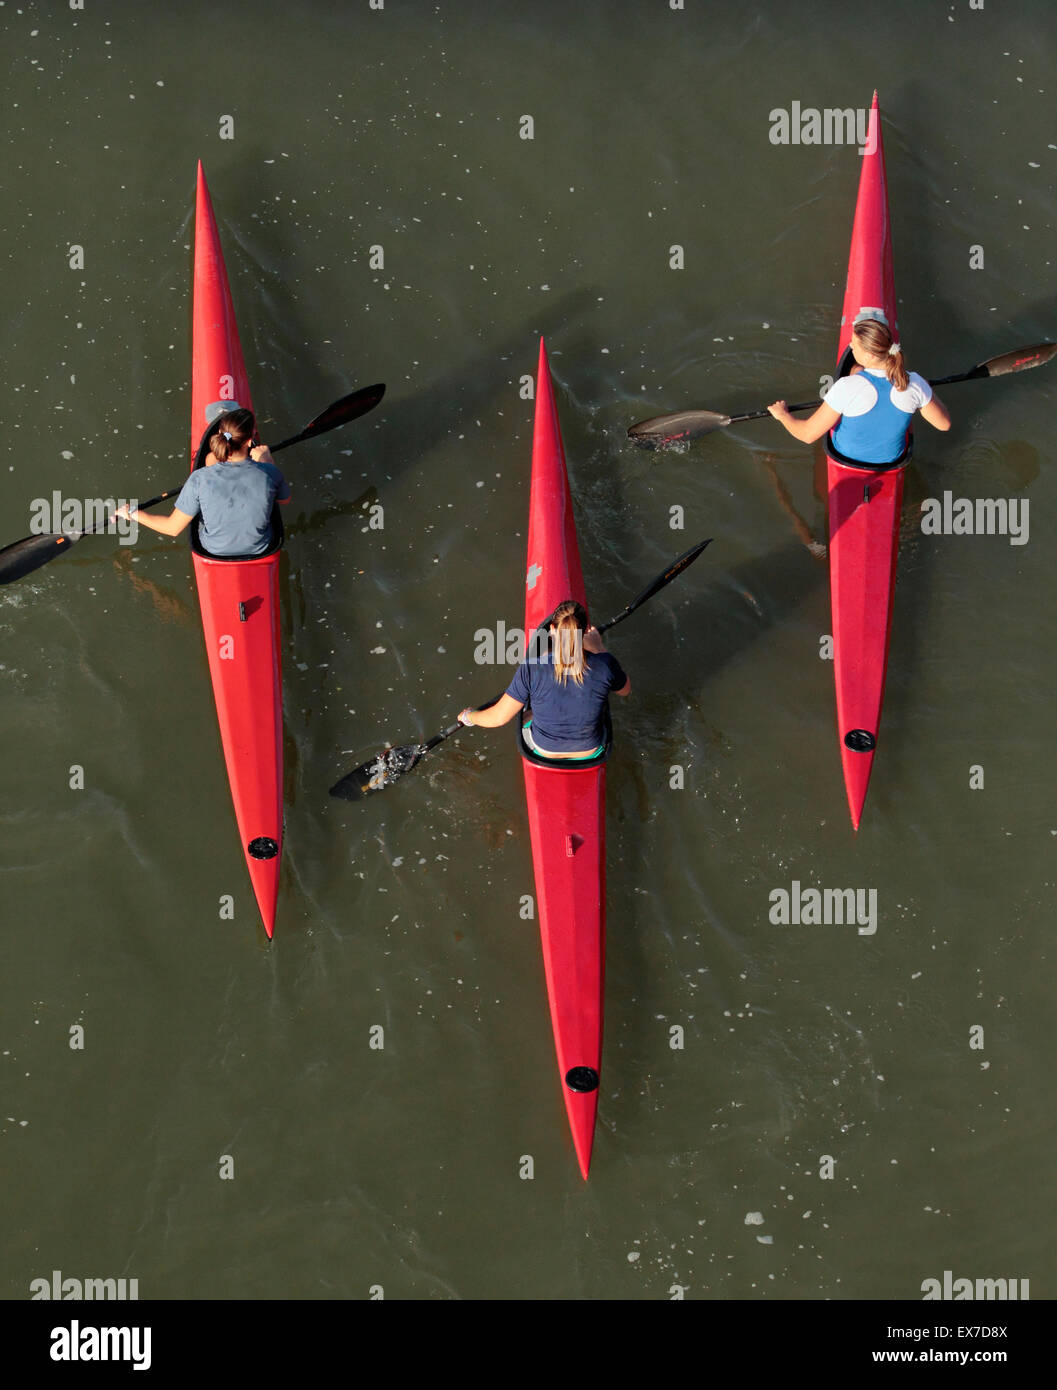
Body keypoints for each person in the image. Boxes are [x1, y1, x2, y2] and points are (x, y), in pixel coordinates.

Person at [766, 314, 951, 465]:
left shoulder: (847, 387)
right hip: (891, 461)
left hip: (846, 458)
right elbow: (944, 425)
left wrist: (783, 415)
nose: (851, 346)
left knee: (854, 377)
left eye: (854, 344)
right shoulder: (914, 383)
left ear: (870, 355)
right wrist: (927, 390)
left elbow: (807, 434)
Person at [458, 600, 630, 758]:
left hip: (544, 750)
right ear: (585, 632)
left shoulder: (532, 668)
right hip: (591, 751)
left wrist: (469, 716)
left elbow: (498, 718)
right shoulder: (606, 664)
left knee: (526, 714)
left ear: (553, 630)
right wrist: (599, 648)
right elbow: (625, 690)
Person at [113, 408, 290, 556]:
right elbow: (284, 500)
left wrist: (132, 513)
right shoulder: (270, 473)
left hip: (214, 550)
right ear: (250, 440)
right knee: (212, 459)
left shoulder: (199, 479)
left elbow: (172, 528)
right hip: (260, 549)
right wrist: (267, 459)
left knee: (209, 459)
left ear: (221, 435)